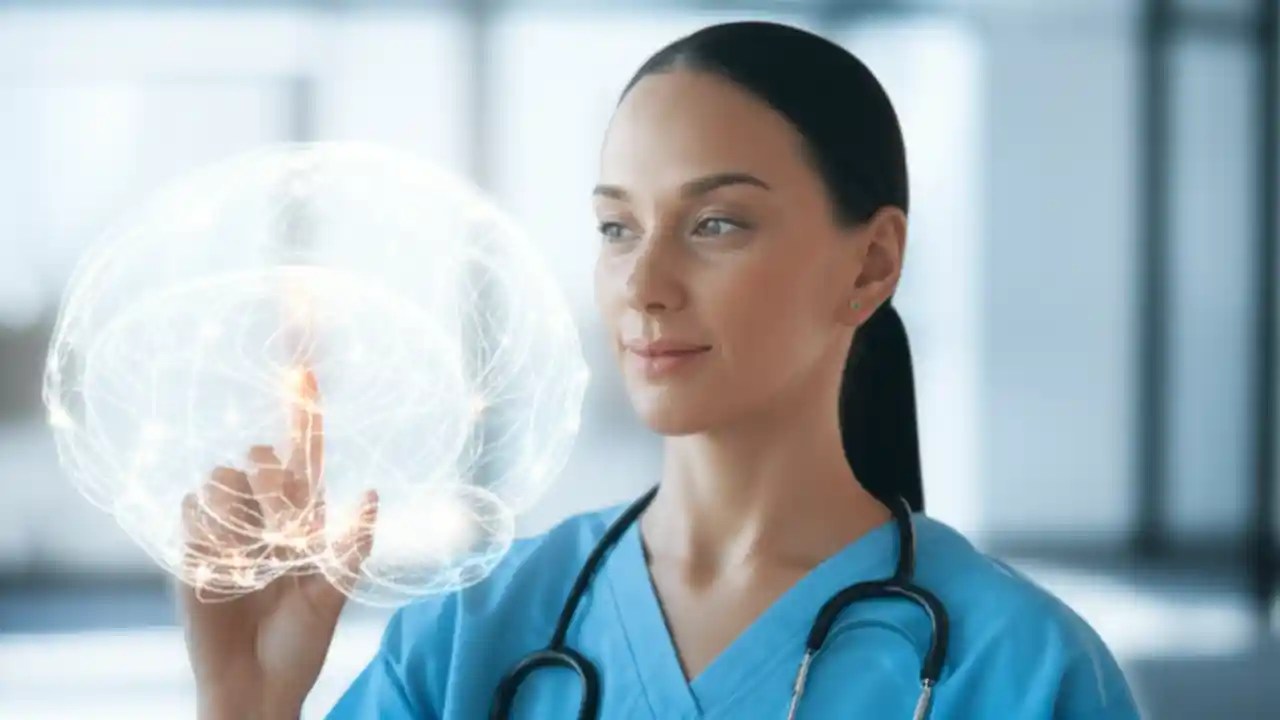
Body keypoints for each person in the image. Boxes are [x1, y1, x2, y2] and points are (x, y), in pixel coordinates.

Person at [181, 20, 1142, 719]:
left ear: (871, 264)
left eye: (716, 223)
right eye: (616, 227)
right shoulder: (475, 632)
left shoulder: (1020, 669)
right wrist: (248, 706)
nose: (643, 282)